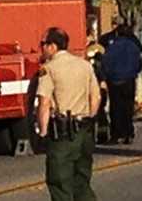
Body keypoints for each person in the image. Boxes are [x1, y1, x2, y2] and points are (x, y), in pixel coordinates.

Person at [36, 26, 100, 201]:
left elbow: (44, 103)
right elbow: (96, 97)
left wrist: (42, 133)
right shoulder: (85, 65)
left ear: (53, 46)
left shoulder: (49, 69)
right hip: (85, 131)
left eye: (43, 44)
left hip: (62, 134)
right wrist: (89, 118)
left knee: (60, 182)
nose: (41, 48)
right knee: (82, 181)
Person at [100, 19, 142, 145]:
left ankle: (116, 135)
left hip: (114, 81)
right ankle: (128, 133)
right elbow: (139, 65)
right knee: (128, 108)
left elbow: (105, 63)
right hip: (129, 81)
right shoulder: (134, 46)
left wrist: (106, 77)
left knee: (115, 108)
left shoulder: (111, 46)